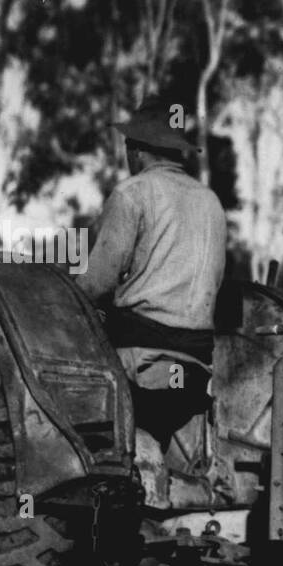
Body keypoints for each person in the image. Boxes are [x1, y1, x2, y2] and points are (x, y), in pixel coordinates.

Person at [76, 100, 227, 504]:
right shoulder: (211, 202)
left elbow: (96, 283)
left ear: (136, 149)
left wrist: (68, 289)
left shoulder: (133, 193)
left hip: (138, 358)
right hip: (196, 364)